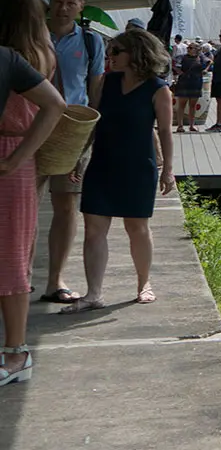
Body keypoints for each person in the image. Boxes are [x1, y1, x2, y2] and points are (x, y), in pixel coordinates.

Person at [63, 30, 173, 312]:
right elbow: (93, 121)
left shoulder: (158, 89)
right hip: (102, 163)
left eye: (116, 51)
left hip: (138, 166)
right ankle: (93, 294)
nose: (109, 56)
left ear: (136, 53)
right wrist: (79, 155)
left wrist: (168, 171)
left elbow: (165, 131)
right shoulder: (106, 82)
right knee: (93, 229)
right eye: (109, 51)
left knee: (136, 228)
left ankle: (144, 283)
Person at [0, 0, 71, 386]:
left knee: (11, 255)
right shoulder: (41, 53)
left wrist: (15, 157)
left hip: (10, 150)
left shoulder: (16, 58)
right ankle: (14, 349)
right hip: (21, 154)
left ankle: (16, 352)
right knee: (15, 250)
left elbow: (53, 105)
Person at [41, 0, 102, 306]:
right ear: (49, 2)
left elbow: (95, 90)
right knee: (20, 205)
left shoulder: (91, 42)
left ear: (80, 7)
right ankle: (16, 274)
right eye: (58, 1)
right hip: (30, 126)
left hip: (71, 131)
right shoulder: (32, 34)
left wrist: (88, 138)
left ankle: (55, 281)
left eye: (70, 3)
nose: (63, 8)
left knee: (66, 206)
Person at [170, 41, 208, 132]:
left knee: (193, 105)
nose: (188, 49)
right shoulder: (182, 57)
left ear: (197, 49)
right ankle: (180, 126)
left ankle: (192, 125)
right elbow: (173, 63)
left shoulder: (201, 57)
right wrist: (179, 71)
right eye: (188, 47)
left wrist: (205, 70)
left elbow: (210, 61)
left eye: (190, 48)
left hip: (196, 82)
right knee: (181, 105)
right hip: (184, 82)